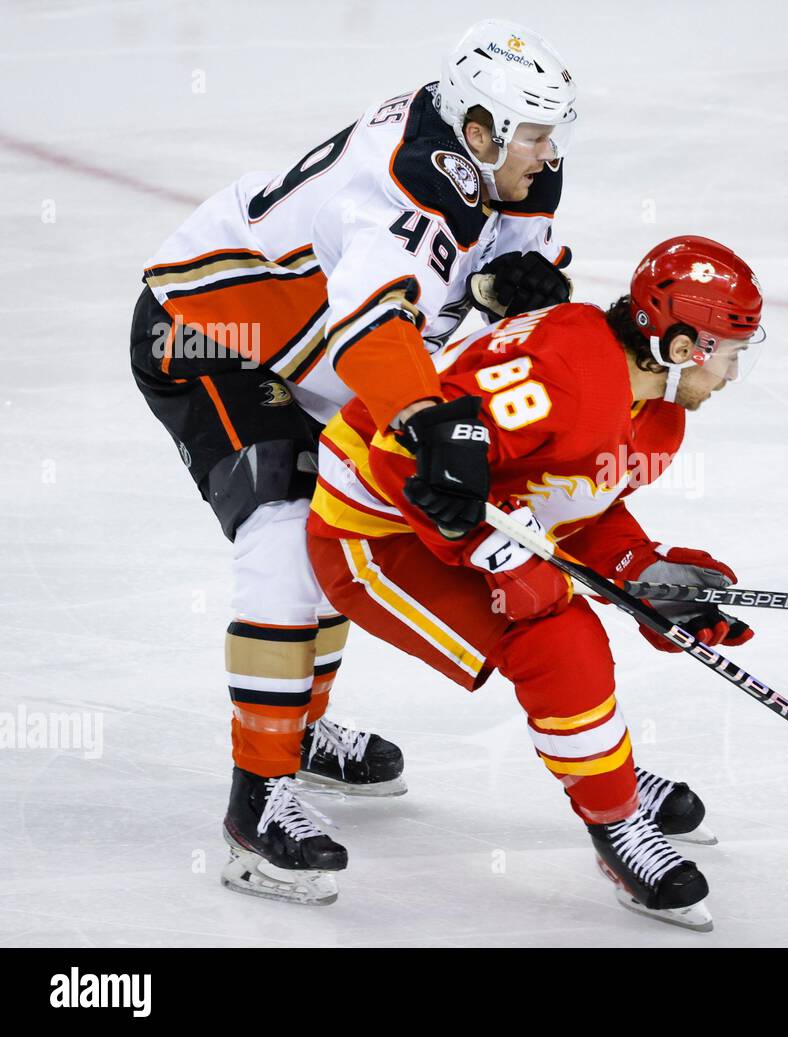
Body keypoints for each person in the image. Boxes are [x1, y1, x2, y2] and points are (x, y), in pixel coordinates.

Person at [128, 19, 585, 904]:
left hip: (308, 347)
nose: (549, 149)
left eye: (553, 130)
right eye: (534, 133)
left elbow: (502, 268)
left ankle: (298, 727)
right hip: (210, 334)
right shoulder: (405, 185)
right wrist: (429, 423)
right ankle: (254, 803)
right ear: (482, 130)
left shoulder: (493, 148)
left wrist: (518, 291)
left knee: (345, 514)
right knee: (292, 530)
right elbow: (376, 321)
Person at [305, 236, 765, 930]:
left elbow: (568, 503)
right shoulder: (564, 370)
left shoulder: (657, 417)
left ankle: (601, 771)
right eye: (729, 353)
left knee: (559, 620)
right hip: (369, 526)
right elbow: (406, 449)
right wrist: (499, 554)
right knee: (557, 634)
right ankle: (614, 821)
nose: (733, 373)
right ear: (678, 347)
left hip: (438, 523)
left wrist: (644, 571)